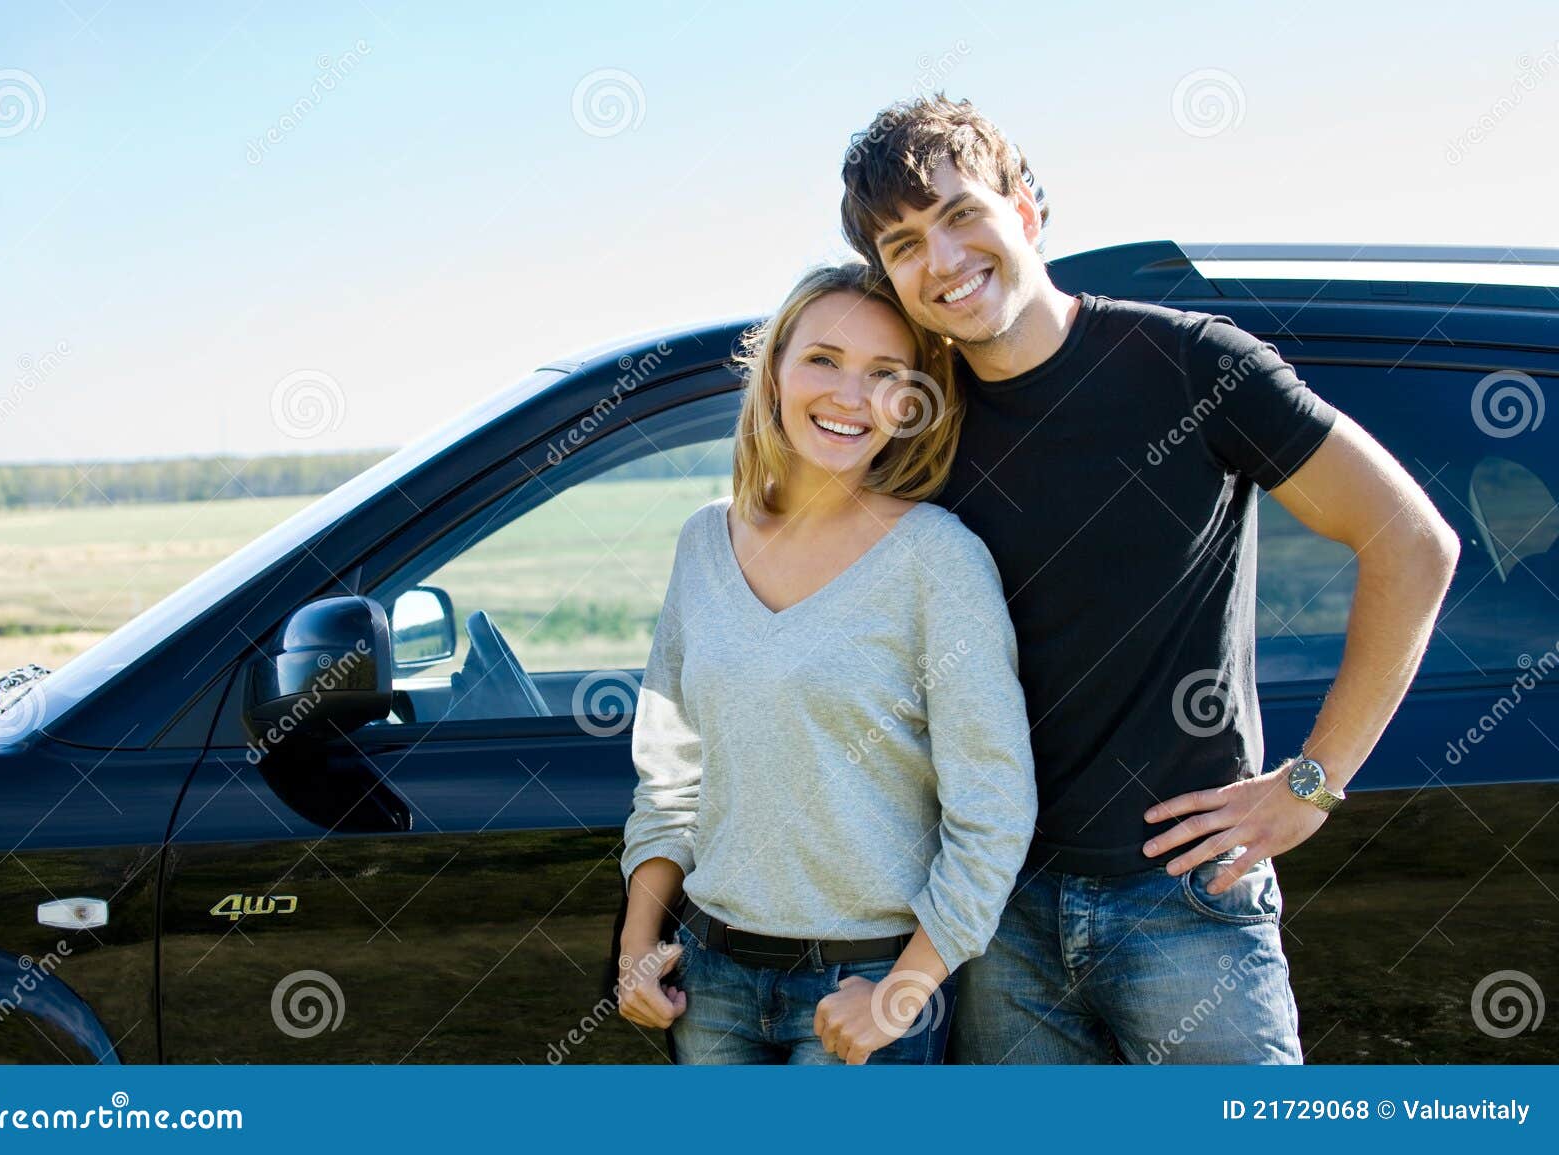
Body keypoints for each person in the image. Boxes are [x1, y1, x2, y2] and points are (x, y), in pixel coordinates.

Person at [838, 95, 1460, 1064]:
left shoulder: (1188, 366)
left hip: (1185, 898)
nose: (944, 260)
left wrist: (1313, 781)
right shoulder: (912, 428)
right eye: (905, 244)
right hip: (992, 913)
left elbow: (1411, 543)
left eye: (962, 214)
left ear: (1026, 213)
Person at [616, 261, 1037, 1065]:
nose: (850, 395)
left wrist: (904, 989)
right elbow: (671, 773)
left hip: (863, 984)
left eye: (885, 374)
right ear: (773, 369)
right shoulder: (703, 543)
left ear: (910, 404)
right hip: (709, 985)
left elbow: (994, 806)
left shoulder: (936, 560)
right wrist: (639, 941)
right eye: (824, 360)